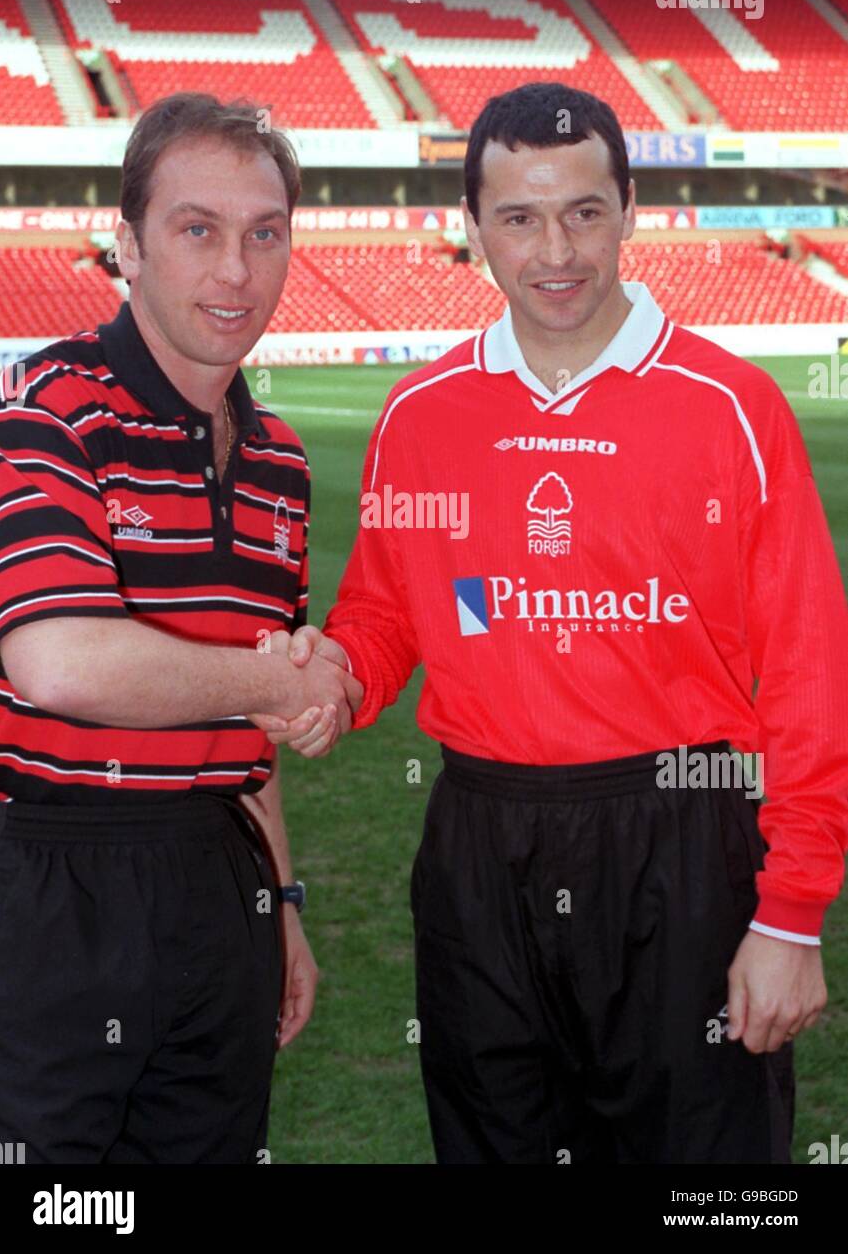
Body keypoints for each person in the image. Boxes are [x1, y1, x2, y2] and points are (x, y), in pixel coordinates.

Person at [260, 82, 848, 1164]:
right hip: (482, 847)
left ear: (629, 209)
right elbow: (387, 613)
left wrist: (792, 913)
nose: (555, 249)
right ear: (474, 228)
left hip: (682, 833)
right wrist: (335, 676)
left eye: (583, 210)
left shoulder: (731, 407)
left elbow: (811, 670)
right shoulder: (422, 414)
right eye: (519, 217)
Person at [0, 92, 362, 1164]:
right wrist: (283, 685)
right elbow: (59, 661)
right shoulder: (44, 413)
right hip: (50, 879)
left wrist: (280, 894)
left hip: (217, 874)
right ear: (128, 245)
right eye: (197, 230)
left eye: (264, 233)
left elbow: (253, 708)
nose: (235, 272)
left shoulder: (279, 459)